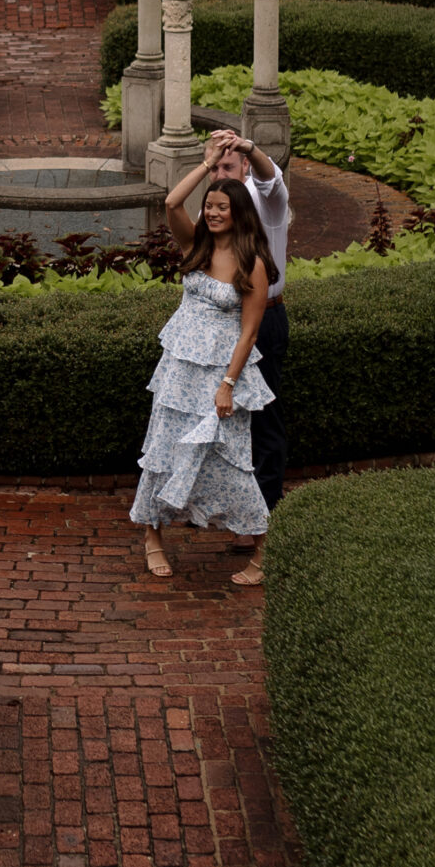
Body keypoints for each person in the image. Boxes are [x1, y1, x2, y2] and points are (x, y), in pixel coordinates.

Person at [131, 162, 278, 585]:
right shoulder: (196, 245)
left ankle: (262, 553)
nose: (212, 213)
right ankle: (152, 537)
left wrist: (228, 385)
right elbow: (172, 202)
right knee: (163, 448)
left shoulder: (253, 263)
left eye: (221, 208)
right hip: (178, 368)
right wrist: (208, 166)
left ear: (239, 213)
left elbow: (250, 332)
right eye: (209, 206)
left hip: (220, 374)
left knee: (231, 461)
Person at [202, 128, 290, 537]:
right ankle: (229, 513)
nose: (222, 172)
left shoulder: (264, 201)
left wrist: (248, 147)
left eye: (229, 165)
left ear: (244, 168)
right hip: (222, 323)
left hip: (264, 320)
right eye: (216, 166)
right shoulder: (217, 209)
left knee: (263, 420)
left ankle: (264, 522)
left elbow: (271, 177)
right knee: (224, 417)